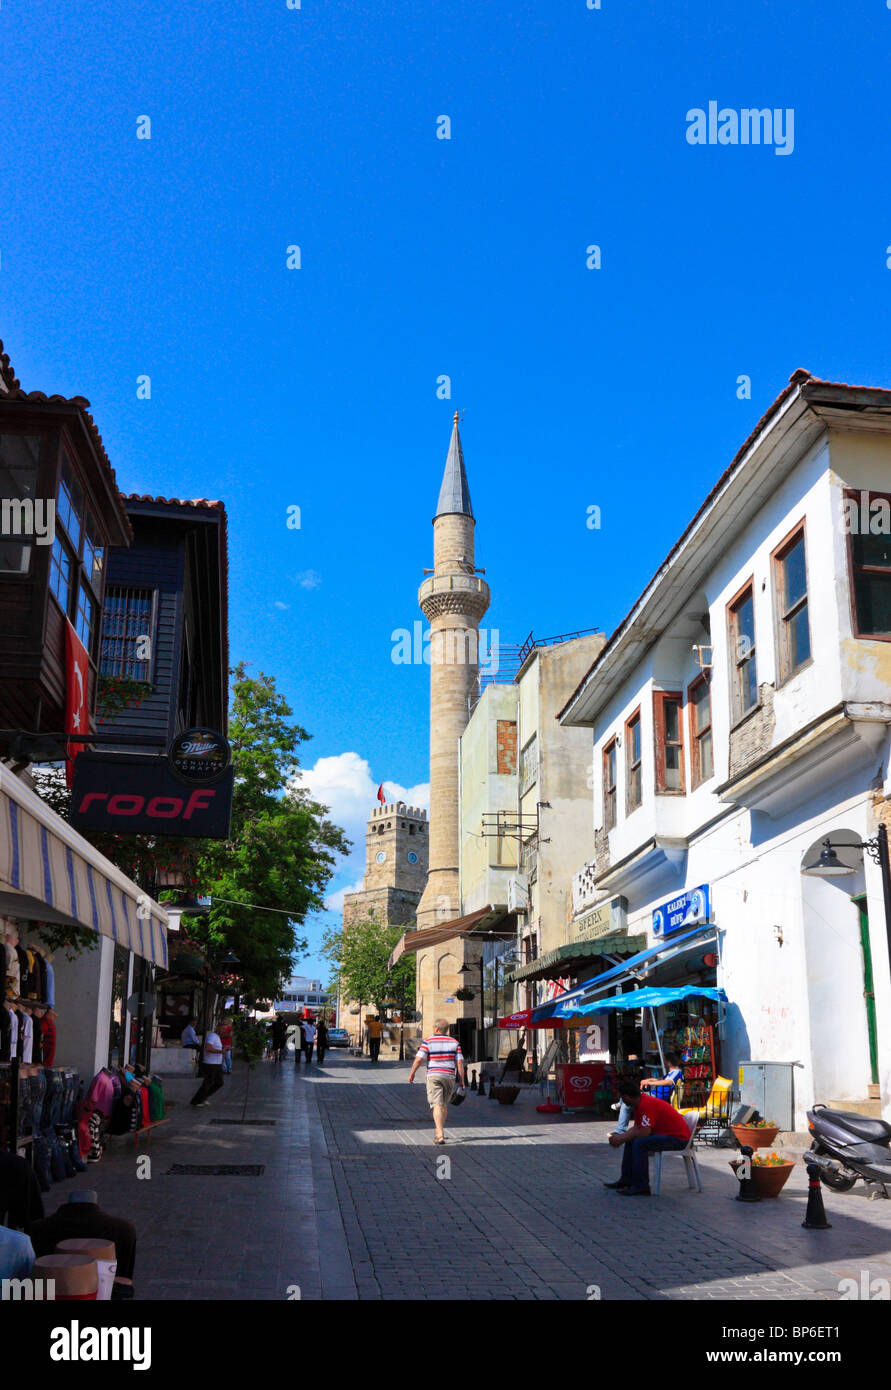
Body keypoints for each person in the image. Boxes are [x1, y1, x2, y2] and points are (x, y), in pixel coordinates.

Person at [604, 1083, 691, 1195]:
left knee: (640, 1144)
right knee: (632, 1141)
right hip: (669, 1135)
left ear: (626, 1097)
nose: (622, 1101)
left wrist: (621, 1138)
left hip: (678, 1139)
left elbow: (644, 1132)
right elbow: (637, 1128)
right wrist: (621, 1137)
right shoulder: (640, 1103)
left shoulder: (646, 1104)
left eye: (621, 1098)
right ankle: (626, 1180)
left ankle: (641, 1185)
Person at [408, 1019, 466, 1145]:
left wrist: (412, 1072)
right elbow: (460, 1062)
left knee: (437, 1104)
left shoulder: (428, 1041)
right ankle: (439, 1130)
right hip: (449, 1075)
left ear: (436, 1029)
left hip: (434, 1075)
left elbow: (419, 1059)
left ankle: (440, 1135)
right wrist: (461, 1079)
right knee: (444, 1104)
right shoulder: (454, 1042)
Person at [190, 1021, 224, 1107]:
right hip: (210, 1063)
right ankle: (196, 1100)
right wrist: (220, 1051)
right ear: (218, 1027)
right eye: (223, 1028)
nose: (224, 1030)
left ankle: (203, 1097)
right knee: (208, 1083)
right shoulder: (212, 1036)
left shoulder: (217, 1037)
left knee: (219, 1082)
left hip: (216, 1063)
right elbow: (208, 1048)